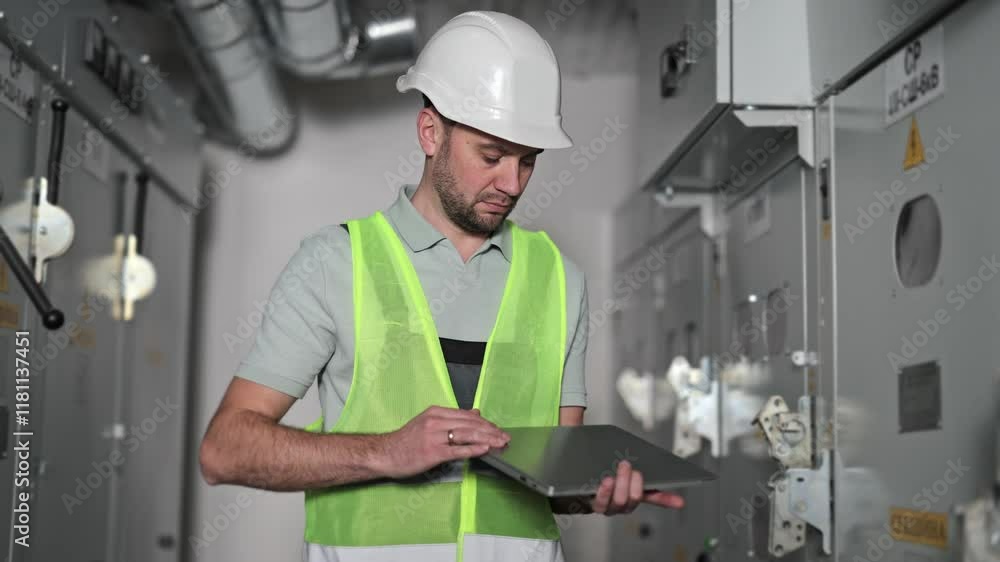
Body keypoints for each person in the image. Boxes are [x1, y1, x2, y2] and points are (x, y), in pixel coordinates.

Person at [198, 10, 683, 562]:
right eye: (492, 156)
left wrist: (594, 495)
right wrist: (386, 452)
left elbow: (555, 480)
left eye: (528, 162)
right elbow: (226, 451)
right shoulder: (335, 263)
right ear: (431, 132)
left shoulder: (560, 280)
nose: (512, 183)